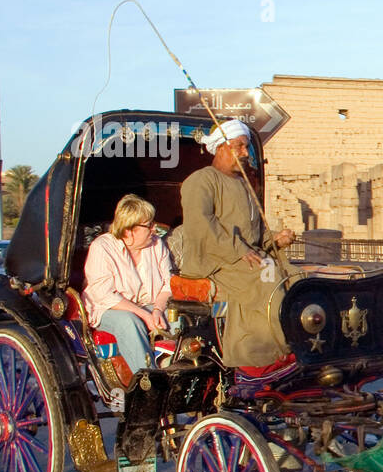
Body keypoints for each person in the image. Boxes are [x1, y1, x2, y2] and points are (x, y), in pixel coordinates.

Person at [179, 118, 298, 368]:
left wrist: (274, 238)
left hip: (244, 258)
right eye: (240, 146)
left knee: (297, 278)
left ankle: (305, 343)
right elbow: (201, 226)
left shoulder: (243, 184)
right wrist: (239, 250)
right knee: (269, 281)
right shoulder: (201, 180)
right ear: (222, 147)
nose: (245, 153)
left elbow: (253, 233)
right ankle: (268, 357)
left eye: (246, 147)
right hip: (214, 262)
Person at [82, 193, 172, 379]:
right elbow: (105, 295)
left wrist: (157, 310)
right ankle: (149, 384)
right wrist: (145, 315)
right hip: (108, 308)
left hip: (149, 305)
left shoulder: (157, 245)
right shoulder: (102, 247)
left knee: (179, 320)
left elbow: (167, 285)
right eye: (149, 226)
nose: (155, 229)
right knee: (129, 322)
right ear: (128, 231)